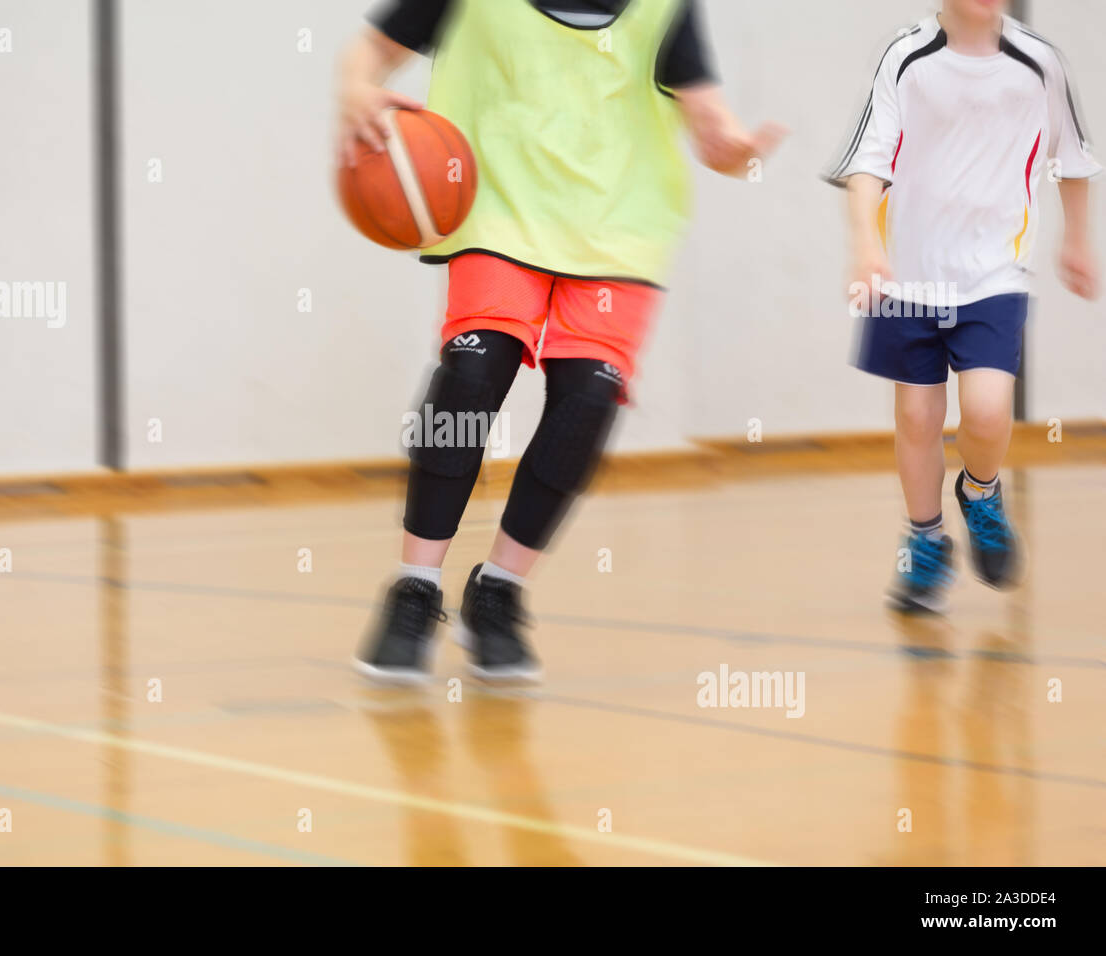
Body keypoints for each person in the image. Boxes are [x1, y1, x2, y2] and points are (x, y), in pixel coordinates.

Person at [343, 0, 783, 683]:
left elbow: (708, 119)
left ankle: (497, 593)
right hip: (496, 209)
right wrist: (355, 90)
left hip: (618, 226)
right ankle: (415, 588)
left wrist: (731, 149)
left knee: (587, 403)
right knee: (468, 380)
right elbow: (369, 52)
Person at [826, 0, 1100, 614]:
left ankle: (980, 492)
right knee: (918, 420)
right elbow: (867, 164)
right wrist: (867, 245)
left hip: (995, 275)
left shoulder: (1039, 63)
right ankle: (925, 544)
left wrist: (1077, 238)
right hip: (907, 279)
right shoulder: (906, 57)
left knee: (985, 409)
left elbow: (1072, 157)